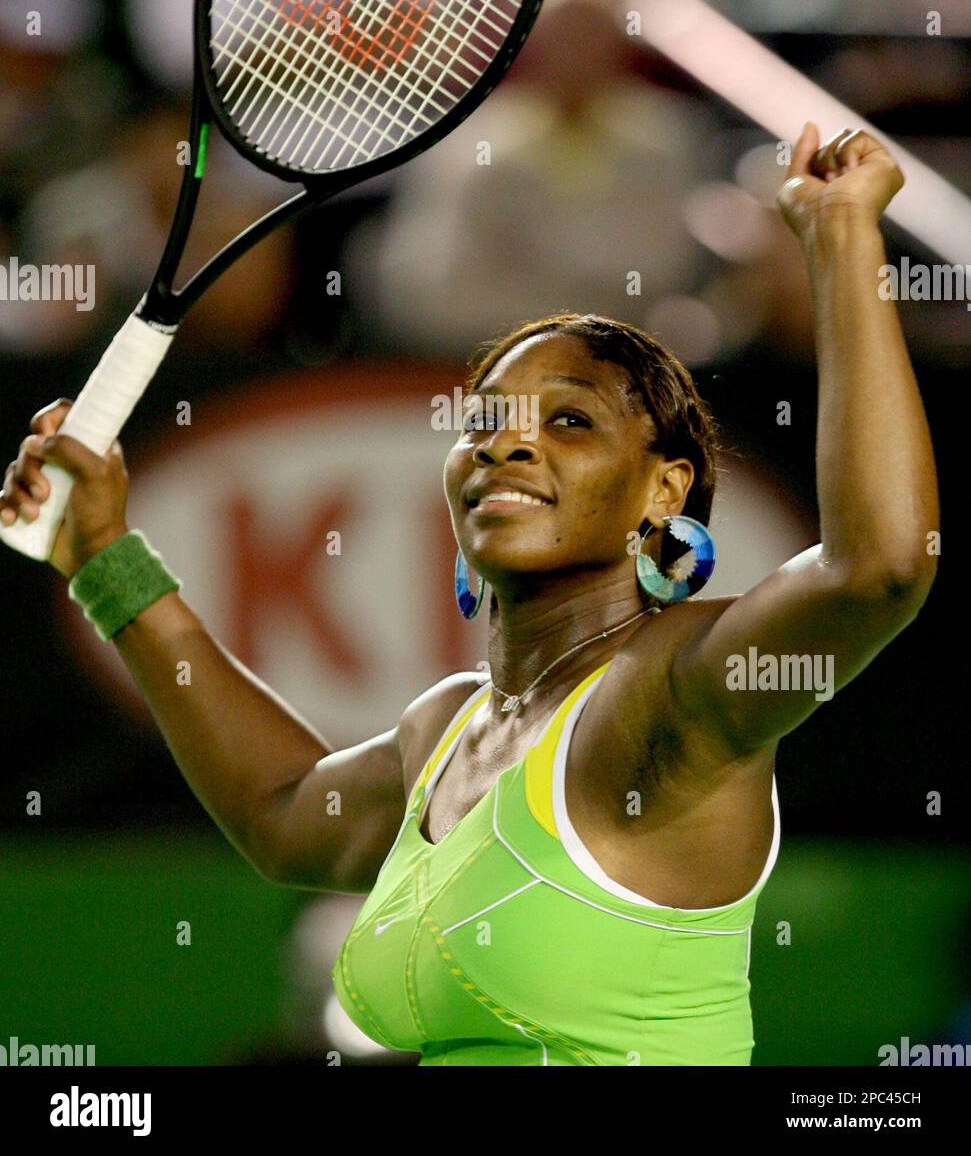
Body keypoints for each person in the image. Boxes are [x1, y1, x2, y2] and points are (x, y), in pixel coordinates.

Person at [2, 125, 937, 1065]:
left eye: (568, 420)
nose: (506, 443)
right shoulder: (444, 730)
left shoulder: (673, 689)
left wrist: (840, 238)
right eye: (483, 422)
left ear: (664, 491)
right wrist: (106, 559)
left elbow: (877, 568)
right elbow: (282, 815)